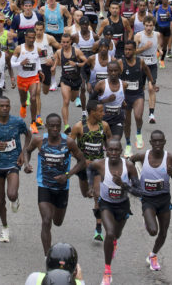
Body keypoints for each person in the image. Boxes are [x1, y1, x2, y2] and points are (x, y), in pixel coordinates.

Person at [24, 113, 87, 255]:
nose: (55, 129)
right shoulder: (39, 140)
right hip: (44, 185)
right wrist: (26, 164)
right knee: (46, 220)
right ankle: (47, 257)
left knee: (57, 222)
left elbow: (82, 161)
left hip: (62, 188)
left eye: (58, 126)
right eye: (52, 126)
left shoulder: (68, 142)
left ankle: (55, 214)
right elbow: (27, 151)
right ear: (46, 126)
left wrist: (67, 175)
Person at [130, 129, 172, 272]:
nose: (157, 144)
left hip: (164, 200)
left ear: (164, 142)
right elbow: (130, 161)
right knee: (153, 231)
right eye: (154, 141)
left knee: (163, 232)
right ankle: (147, 218)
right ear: (150, 142)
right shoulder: (143, 156)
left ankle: (153, 255)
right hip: (148, 199)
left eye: (160, 141)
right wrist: (134, 179)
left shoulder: (171, 159)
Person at [91, 137, 139, 284]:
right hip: (106, 204)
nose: (113, 153)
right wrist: (91, 187)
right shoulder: (99, 164)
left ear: (121, 151)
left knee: (116, 234)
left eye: (116, 150)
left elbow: (139, 191)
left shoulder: (129, 166)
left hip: (122, 205)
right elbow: (88, 169)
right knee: (110, 233)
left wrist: (123, 185)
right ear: (106, 151)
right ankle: (107, 271)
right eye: (110, 150)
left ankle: (114, 242)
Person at [0, 96, 31, 243]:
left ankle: (15, 199)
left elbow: (28, 135)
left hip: (13, 162)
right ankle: (5, 228)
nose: (4, 108)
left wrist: (23, 152)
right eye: (2, 106)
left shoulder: (17, 122)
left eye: (7, 106)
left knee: (11, 194)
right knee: (0, 200)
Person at [70, 98, 111, 242]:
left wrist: (111, 154)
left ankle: (98, 228)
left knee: (98, 195)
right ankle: (90, 190)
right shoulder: (78, 127)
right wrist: (81, 159)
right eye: (100, 111)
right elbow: (69, 146)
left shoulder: (104, 126)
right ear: (92, 112)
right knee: (86, 194)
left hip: (98, 166)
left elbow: (110, 140)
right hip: (83, 167)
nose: (103, 114)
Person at [121, 41, 157, 158]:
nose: (127, 52)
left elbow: (147, 70)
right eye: (125, 49)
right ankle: (128, 145)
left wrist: (152, 82)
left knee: (138, 116)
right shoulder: (121, 63)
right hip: (125, 96)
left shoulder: (140, 61)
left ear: (134, 50)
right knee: (127, 122)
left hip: (137, 94)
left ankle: (138, 133)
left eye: (129, 50)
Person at [52, 34, 89, 133]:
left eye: (67, 42)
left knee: (73, 99)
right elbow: (55, 61)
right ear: (61, 42)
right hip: (65, 80)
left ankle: (75, 98)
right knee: (66, 101)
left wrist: (76, 64)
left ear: (70, 42)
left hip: (76, 80)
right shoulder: (59, 52)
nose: (65, 44)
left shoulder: (76, 51)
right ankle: (66, 126)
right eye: (63, 42)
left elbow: (86, 62)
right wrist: (53, 66)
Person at [11, 28, 43, 133]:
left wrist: (40, 70)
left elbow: (37, 61)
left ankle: (33, 123)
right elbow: (11, 63)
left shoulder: (38, 49)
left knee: (33, 98)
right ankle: (23, 106)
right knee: (23, 99)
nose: (31, 40)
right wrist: (20, 63)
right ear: (25, 37)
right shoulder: (19, 49)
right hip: (22, 78)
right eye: (29, 37)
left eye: (33, 38)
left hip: (33, 78)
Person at [134, 15, 162, 124]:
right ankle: (139, 110)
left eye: (150, 26)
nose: (149, 28)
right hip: (140, 66)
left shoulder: (157, 35)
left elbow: (158, 45)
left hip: (152, 66)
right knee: (140, 90)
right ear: (143, 25)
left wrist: (160, 50)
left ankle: (151, 114)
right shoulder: (138, 36)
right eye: (147, 25)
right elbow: (133, 52)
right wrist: (144, 48)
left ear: (153, 25)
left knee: (151, 88)